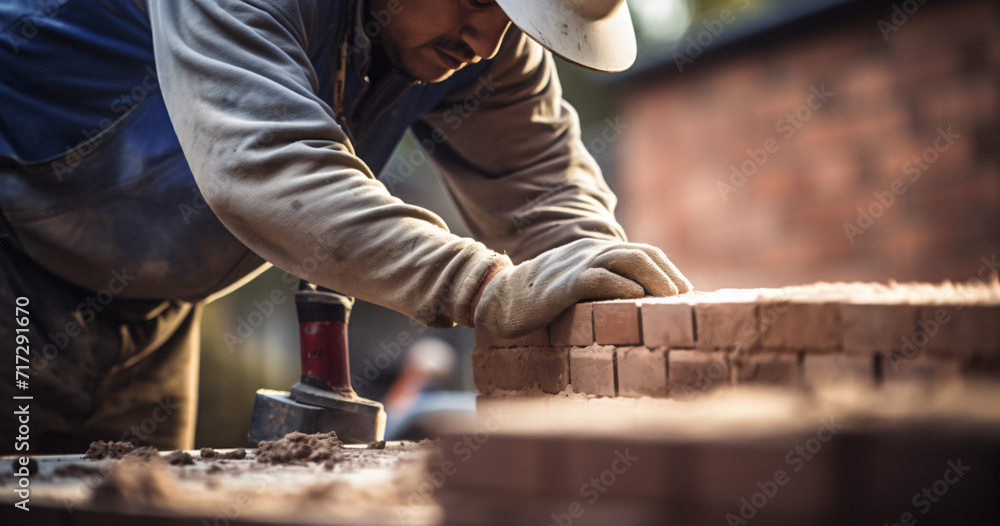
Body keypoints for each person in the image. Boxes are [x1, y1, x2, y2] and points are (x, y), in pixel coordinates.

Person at [0, 0, 691, 453]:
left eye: (515, 18)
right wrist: (485, 287)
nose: (489, 39)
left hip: (149, 306)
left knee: (120, 500)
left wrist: (606, 293)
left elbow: (545, 188)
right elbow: (266, 165)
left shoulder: (484, 38)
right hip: (13, 253)